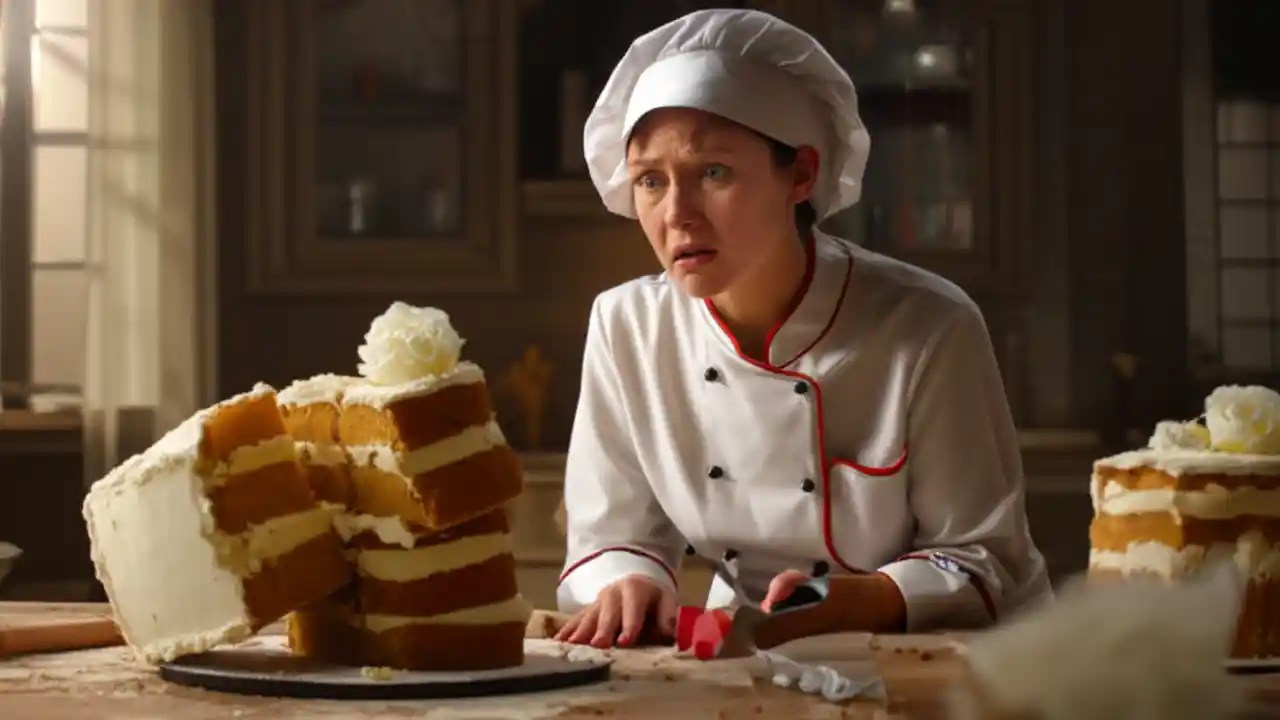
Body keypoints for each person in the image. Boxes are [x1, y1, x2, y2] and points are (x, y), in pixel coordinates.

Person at [554, 8, 1051, 649]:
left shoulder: (928, 326)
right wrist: (629, 581)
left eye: (713, 173)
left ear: (802, 174)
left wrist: (858, 598)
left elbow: (985, 559)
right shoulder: (627, 327)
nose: (677, 214)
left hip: (953, 665)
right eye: (651, 180)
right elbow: (610, 538)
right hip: (749, 654)